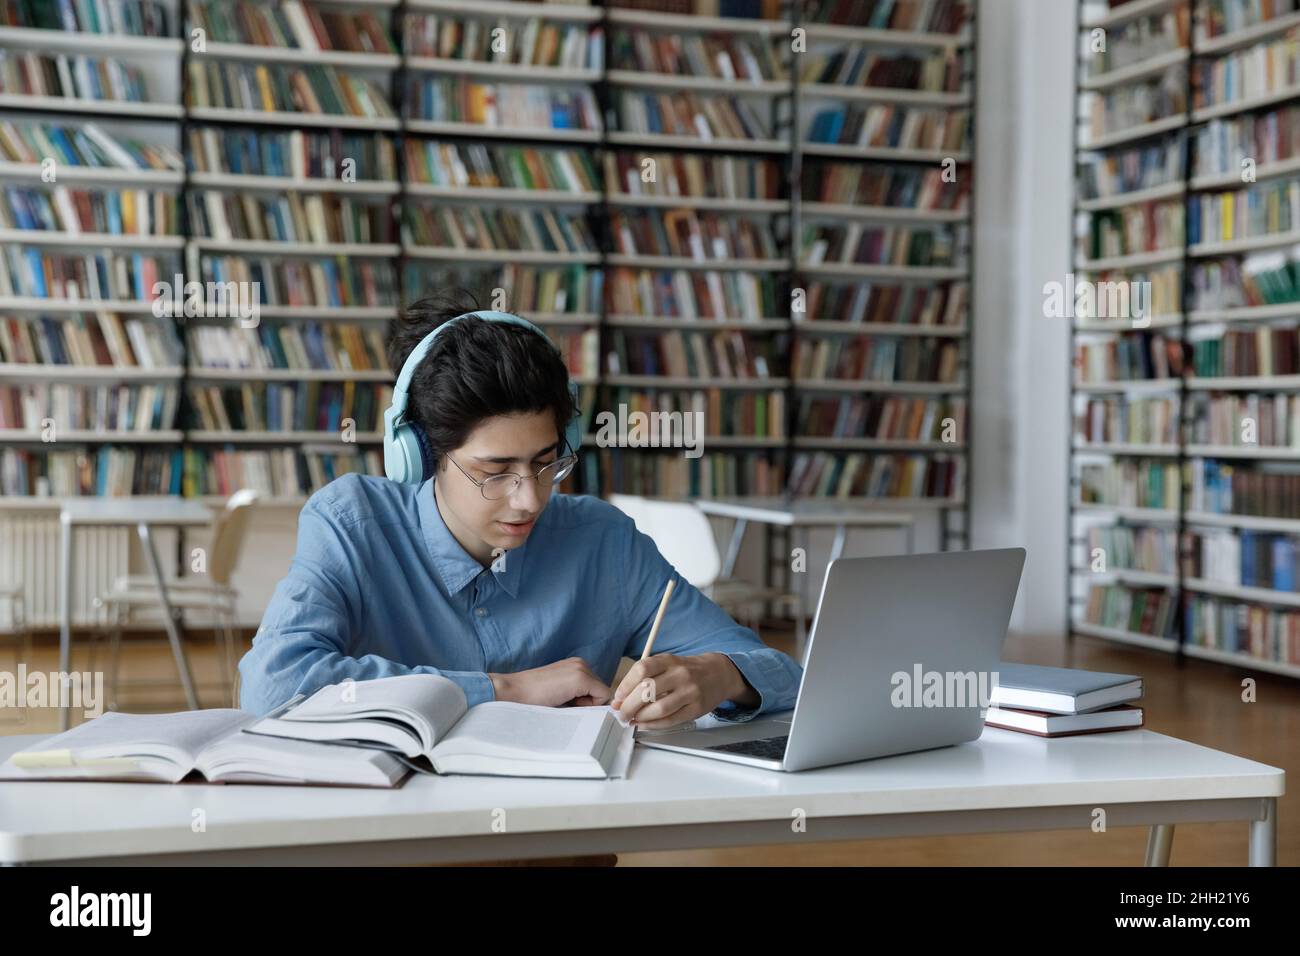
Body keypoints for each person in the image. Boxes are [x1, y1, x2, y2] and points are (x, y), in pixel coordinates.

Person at [237, 290, 803, 733]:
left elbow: (786, 676)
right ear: (420, 455)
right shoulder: (352, 524)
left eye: (545, 462)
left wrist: (722, 676)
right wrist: (504, 690)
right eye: (493, 471)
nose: (529, 498)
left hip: (555, 835)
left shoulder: (602, 542)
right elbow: (273, 685)